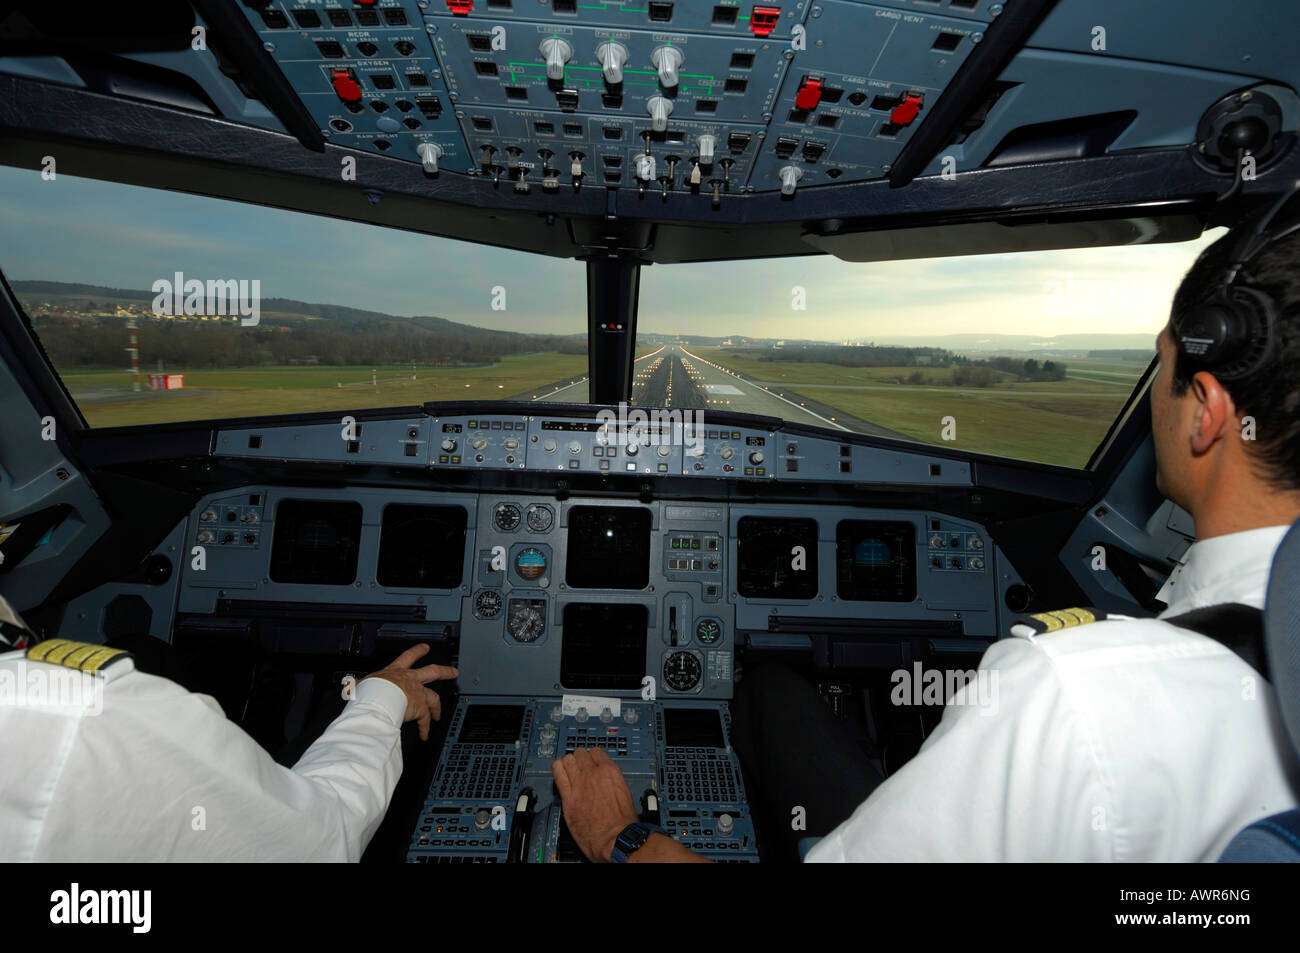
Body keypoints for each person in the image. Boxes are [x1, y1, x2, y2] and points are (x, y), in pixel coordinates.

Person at [554, 196, 1300, 862]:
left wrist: (621, 838)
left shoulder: (1074, 694)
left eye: (1159, 367)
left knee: (771, 687)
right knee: (775, 686)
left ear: (1206, 409)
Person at [0, 619, 457, 862]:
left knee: (148, 650)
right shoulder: (78, 716)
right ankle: (304, 700)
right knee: (368, 714)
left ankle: (275, 701)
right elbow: (320, 842)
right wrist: (383, 698)